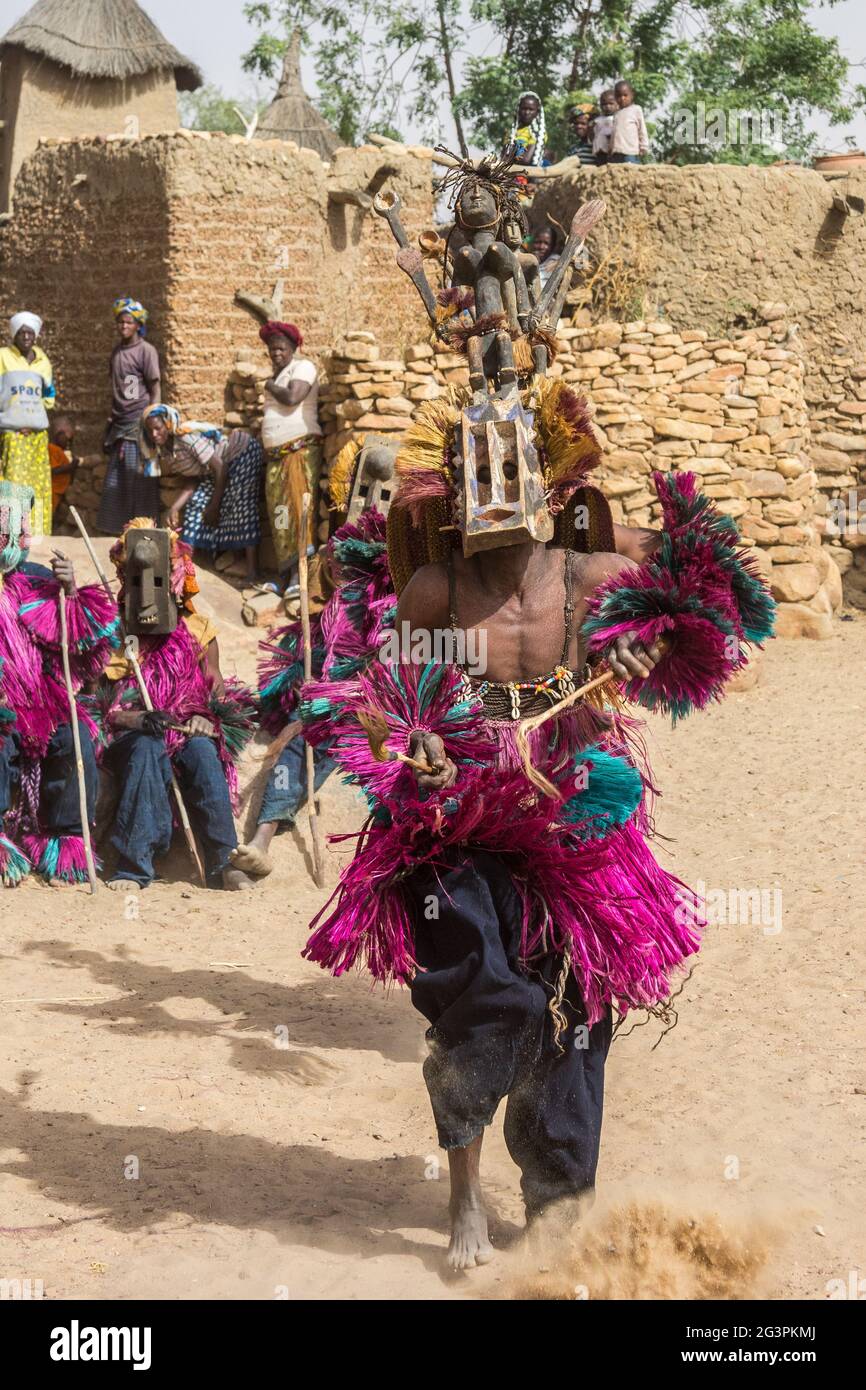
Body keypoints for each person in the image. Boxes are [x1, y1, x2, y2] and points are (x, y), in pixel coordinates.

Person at [299, 164, 775, 1270]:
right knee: (477, 1005)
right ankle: (465, 1196)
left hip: (571, 813)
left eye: (512, 480)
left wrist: (657, 649)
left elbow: (708, 633)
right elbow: (372, 704)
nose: (491, 507)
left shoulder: (597, 576)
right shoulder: (432, 595)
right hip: (458, 821)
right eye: (472, 487)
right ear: (453, 492)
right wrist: (403, 745)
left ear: (548, 484)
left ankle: (557, 1202)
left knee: (574, 1016)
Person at [0, 480, 118, 887]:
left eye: (10, 528)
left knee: (75, 736)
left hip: (40, 699)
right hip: (3, 704)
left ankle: (64, 846)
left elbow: (79, 641)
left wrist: (69, 589)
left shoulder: (35, 579)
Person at [140, 405, 264, 584]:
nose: (154, 434)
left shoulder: (185, 438)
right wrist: (174, 508)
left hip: (241, 454)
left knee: (240, 503)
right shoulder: (165, 452)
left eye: (158, 428)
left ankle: (252, 573)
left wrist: (214, 506)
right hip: (215, 471)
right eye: (150, 430)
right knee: (196, 506)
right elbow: (193, 480)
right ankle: (184, 568)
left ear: (167, 425)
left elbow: (220, 467)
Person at [259, 321, 322, 595]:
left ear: (293, 348)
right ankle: (285, 575)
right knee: (281, 516)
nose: (276, 354)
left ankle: (301, 574)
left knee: (299, 512)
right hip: (276, 458)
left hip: (298, 453)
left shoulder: (303, 368)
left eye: (281, 349)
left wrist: (269, 385)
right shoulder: (282, 372)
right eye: (272, 350)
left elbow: (293, 397)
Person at [96, 298, 161, 534]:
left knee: (140, 478)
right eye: (120, 322)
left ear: (138, 325)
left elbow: (155, 387)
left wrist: (153, 417)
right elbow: (117, 391)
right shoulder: (116, 353)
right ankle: (116, 529)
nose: (123, 326)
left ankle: (144, 528)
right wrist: (110, 423)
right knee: (116, 479)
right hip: (120, 424)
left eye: (128, 322)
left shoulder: (146, 351)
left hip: (138, 422)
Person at [0, 312, 56, 536]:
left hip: (37, 437)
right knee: (13, 483)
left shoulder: (43, 362)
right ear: (14, 335)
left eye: (29, 333)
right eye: (21, 332)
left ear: (36, 336)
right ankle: (12, 532)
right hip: (13, 436)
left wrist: (31, 417)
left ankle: (37, 532)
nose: (25, 337)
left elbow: (49, 398)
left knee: (38, 485)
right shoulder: (3, 357)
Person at [48, 414, 80, 523]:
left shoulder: (58, 450)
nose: (68, 442)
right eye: (67, 438)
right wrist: (71, 466)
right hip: (53, 490)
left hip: (59, 491)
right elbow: (53, 471)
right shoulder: (52, 449)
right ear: (59, 434)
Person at [505, 91, 549, 167]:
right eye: (524, 109)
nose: (527, 112)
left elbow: (526, 159)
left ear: (537, 112)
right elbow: (503, 156)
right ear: (519, 109)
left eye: (531, 109)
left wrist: (511, 155)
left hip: (527, 173)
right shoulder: (511, 132)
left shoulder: (539, 133)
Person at [611, 80, 649, 164]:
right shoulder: (616, 113)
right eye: (618, 96)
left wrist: (644, 146)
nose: (622, 98)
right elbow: (614, 134)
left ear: (632, 95)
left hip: (630, 152)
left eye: (625, 95)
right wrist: (610, 149)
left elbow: (642, 129)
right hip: (616, 153)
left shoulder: (636, 109)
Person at [592, 89, 619, 164]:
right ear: (600, 105)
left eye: (611, 104)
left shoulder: (616, 118)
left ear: (617, 104)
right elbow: (594, 135)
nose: (607, 107)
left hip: (611, 152)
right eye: (604, 104)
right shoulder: (597, 120)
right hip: (599, 152)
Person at [531, 225, 561, 289]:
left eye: (546, 243)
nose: (541, 247)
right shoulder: (528, 259)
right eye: (538, 242)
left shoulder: (556, 261)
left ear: (553, 246)